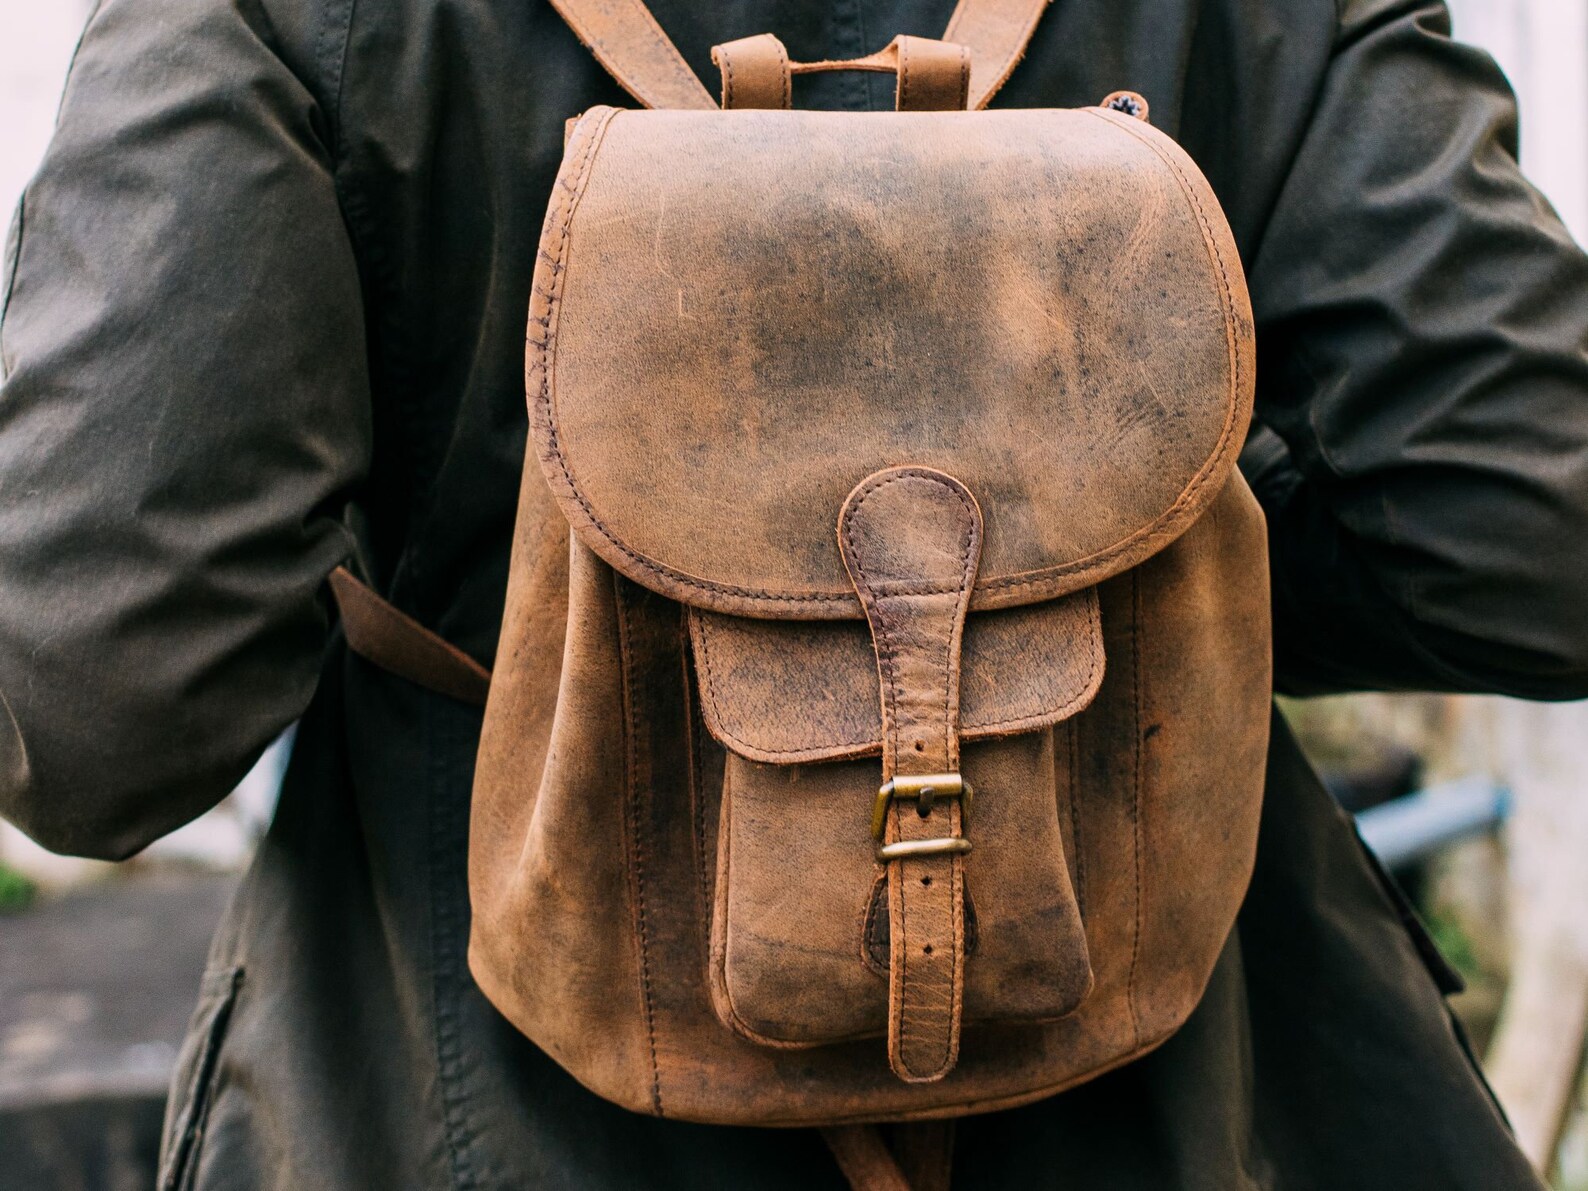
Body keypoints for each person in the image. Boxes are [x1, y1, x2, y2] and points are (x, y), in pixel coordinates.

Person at [2, 0, 1585, 1185]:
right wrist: (1121, 579)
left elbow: (97, 705)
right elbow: (1536, 535)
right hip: (1207, 1114)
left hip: (454, 1112)